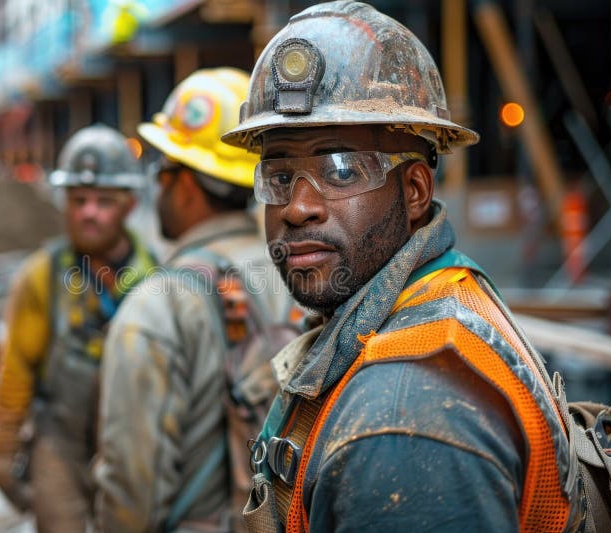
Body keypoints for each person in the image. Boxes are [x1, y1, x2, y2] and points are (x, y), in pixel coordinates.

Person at [221, 2, 584, 532]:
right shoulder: (429, 297)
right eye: (279, 177)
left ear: (414, 191)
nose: (297, 207)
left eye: (340, 170)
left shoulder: (400, 422)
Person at [94, 67, 296, 532]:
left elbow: (131, 487)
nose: (157, 185)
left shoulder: (157, 306)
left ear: (184, 183)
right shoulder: (306, 277)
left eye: (161, 170)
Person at [0, 123, 155, 532]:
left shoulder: (157, 279)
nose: (88, 212)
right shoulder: (42, 276)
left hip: (133, 446)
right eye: (79, 200)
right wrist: (4, 448)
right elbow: (17, 366)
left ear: (130, 205)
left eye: (103, 201)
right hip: (58, 442)